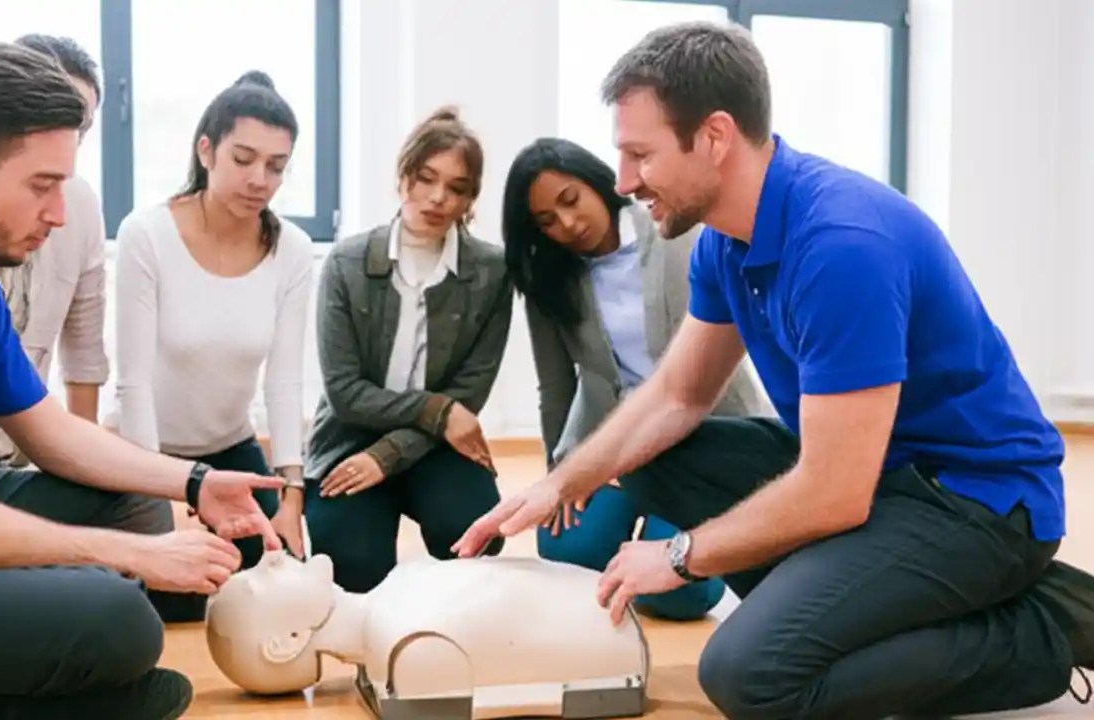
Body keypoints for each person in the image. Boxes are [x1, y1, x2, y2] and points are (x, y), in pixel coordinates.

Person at [456, 20, 1094, 719]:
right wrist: (558, 483)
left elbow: (833, 493)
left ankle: (1041, 632)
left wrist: (679, 557)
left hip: (977, 506)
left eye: (642, 154)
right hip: (879, 479)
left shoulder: (843, 244)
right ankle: (863, 609)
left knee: (748, 676)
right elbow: (678, 392)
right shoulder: (725, 243)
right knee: (652, 457)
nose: (625, 181)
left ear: (716, 137)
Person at [0, 42, 284, 719]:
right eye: (42, 184)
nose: (61, 212)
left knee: (135, 508)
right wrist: (133, 559)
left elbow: (51, 431)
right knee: (121, 620)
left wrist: (194, 481)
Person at [502, 137, 768, 621]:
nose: (567, 224)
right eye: (546, 222)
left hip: (705, 432)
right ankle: (635, 527)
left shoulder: (679, 236)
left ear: (598, 182)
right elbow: (556, 389)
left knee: (677, 596)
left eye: (570, 200)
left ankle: (671, 538)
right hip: (616, 442)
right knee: (562, 544)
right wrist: (558, 480)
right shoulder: (550, 279)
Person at [108, 70, 315, 621]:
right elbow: (133, 383)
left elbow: (285, 380)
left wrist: (292, 495)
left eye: (276, 166)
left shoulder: (291, 249)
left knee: (274, 580)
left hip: (230, 452)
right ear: (206, 149)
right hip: (148, 457)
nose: (260, 180)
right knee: (175, 598)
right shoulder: (145, 234)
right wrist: (162, 499)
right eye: (243, 159)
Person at [303, 106, 512, 593]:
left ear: (470, 200)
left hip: (436, 446)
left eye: (457, 188)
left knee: (476, 532)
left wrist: (390, 454)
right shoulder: (347, 262)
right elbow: (344, 392)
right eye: (426, 178)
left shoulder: (493, 272)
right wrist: (437, 409)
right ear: (403, 177)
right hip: (351, 436)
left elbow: (471, 388)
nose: (438, 198)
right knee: (351, 566)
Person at [0, 33, 111, 469]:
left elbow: (84, 353)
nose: (67, 132)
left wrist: (86, 471)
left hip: (20, 448)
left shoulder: (77, 206)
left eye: (81, 126)